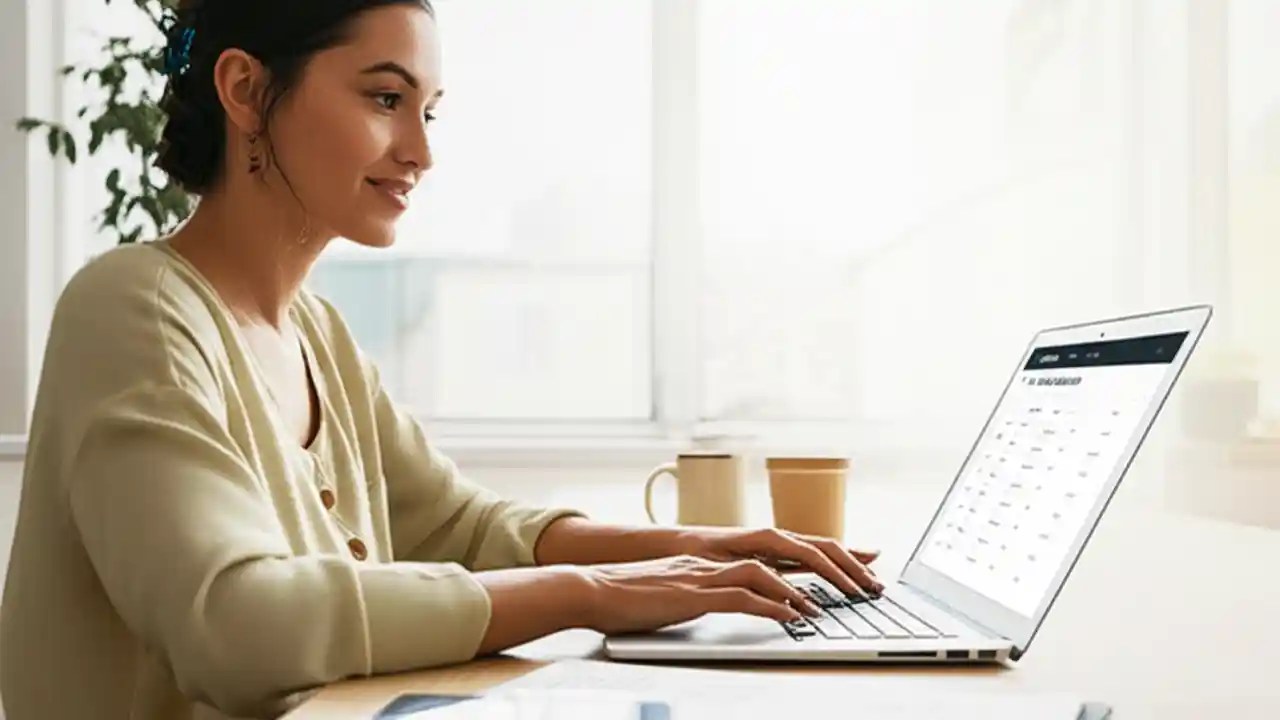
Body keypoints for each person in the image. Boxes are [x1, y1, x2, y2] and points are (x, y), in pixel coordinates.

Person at [0, 2, 882, 718]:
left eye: (429, 110)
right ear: (245, 89)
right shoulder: (132, 310)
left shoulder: (317, 335)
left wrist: (696, 550)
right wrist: (585, 592)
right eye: (385, 100)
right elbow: (236, 630)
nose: (421, 151)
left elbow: (465, 529)